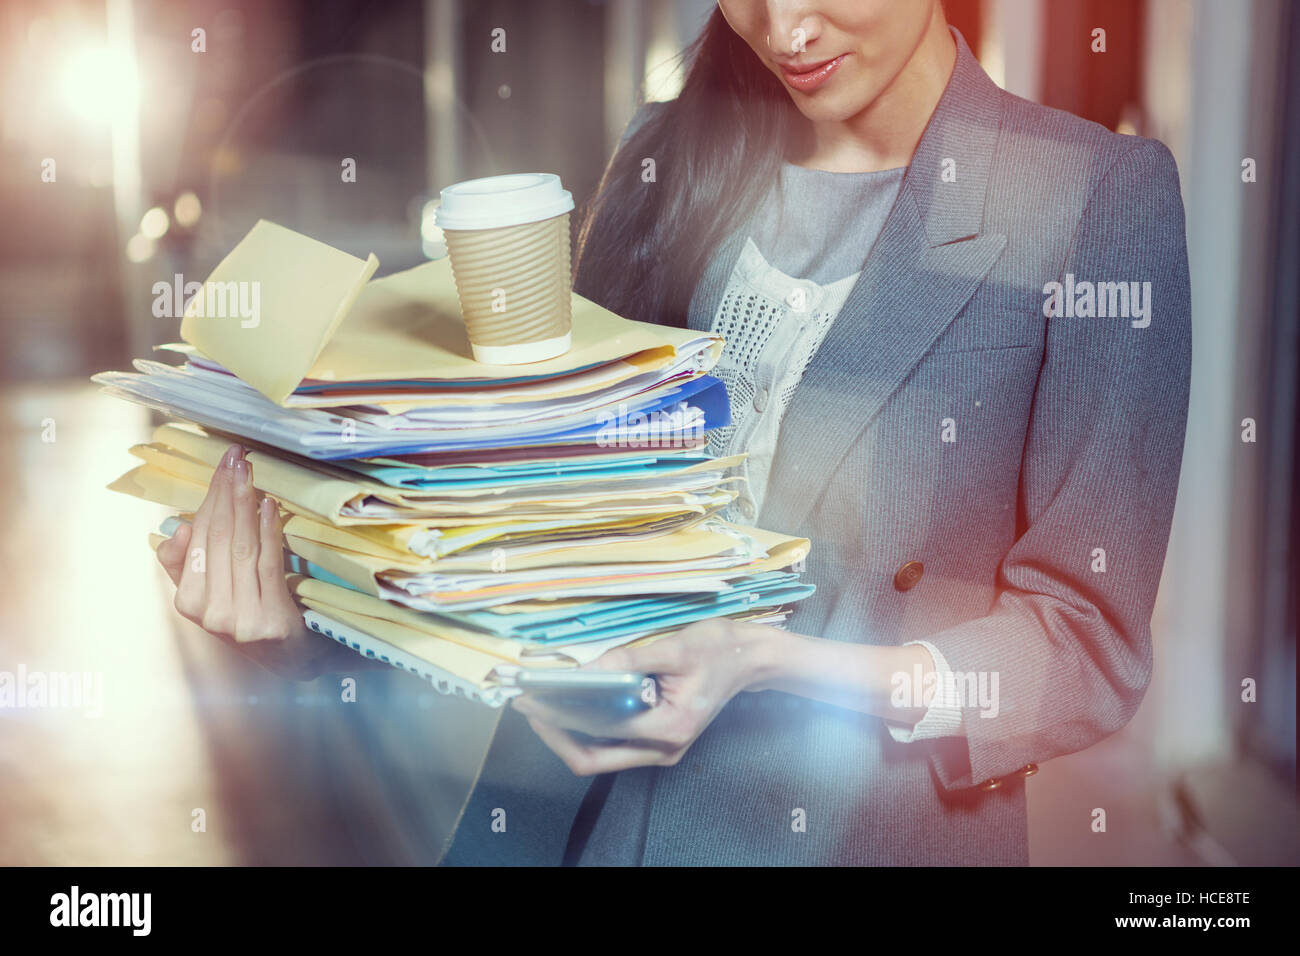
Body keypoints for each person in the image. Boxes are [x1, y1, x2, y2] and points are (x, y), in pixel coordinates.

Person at [162, 0, 1192, 866]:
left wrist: (774, 660)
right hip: (565, 831)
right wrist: (312, 599)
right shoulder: (668, 152)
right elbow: (530, 531)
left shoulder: (1090, 197)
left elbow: (1086, 649)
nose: (784, 28)